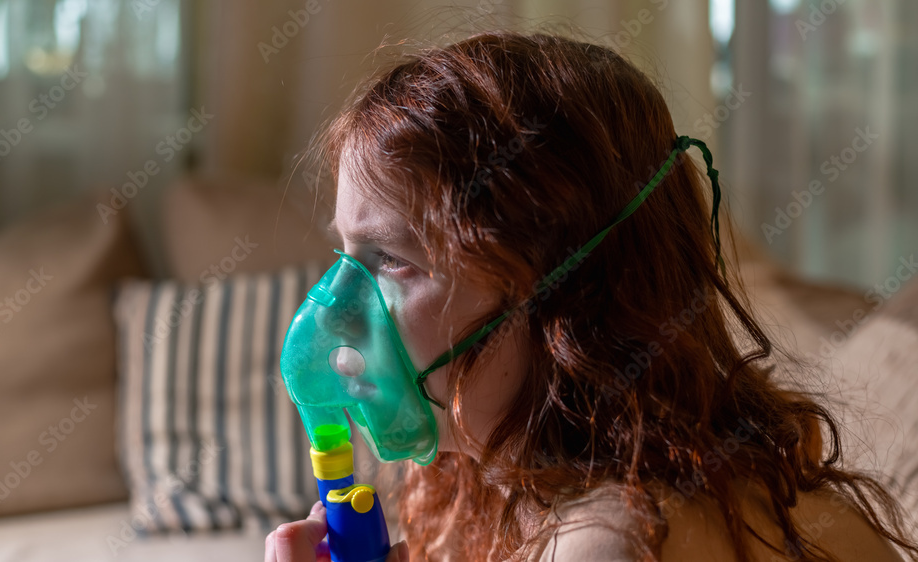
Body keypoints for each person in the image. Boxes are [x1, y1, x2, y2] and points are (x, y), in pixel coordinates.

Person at [265, 31, 917, 561]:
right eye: (345, 255)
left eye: (389, 260)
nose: (339, 316)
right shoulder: (499, 487)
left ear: (559, 291)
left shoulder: (610, 541)